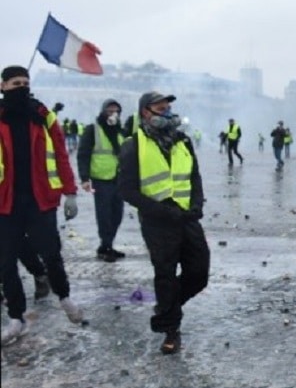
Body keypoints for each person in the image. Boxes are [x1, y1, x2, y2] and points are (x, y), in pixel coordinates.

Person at [118, 91, 210, 354]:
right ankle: (170, 330)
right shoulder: (133, 145)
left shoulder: (182, 140)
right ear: (146, 112)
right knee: (165, 276)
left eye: (169, 107)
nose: (168, 112)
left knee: (199, 273)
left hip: (187, 218)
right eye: (162, 108)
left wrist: (197, 205)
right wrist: (160, 210)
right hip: (157, 222)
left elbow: (194, 176)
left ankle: (167, 307)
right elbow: (127, 190)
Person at [0, 65, 84, 344]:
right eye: (15, 83)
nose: (21, 87)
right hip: (5, 202)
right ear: (2, 87)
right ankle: (16, 318)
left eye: (25, 82)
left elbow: (61, 155)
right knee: (6, 263)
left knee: (51, 254)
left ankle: (65, 297)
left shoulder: (43, 116)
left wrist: (70, 192)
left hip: (40, 199)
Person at [78, 98, 127, 262]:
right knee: (104, 214)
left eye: (116, 111)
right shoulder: (93, 130)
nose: (113, 114)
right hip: (101, 179)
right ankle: (105, 246)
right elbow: (83, 154)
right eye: (110, 110)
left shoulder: (121, 131)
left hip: (118, 179)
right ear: (103, 111)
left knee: (117, 214)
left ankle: (108, 244)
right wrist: (84, 178)